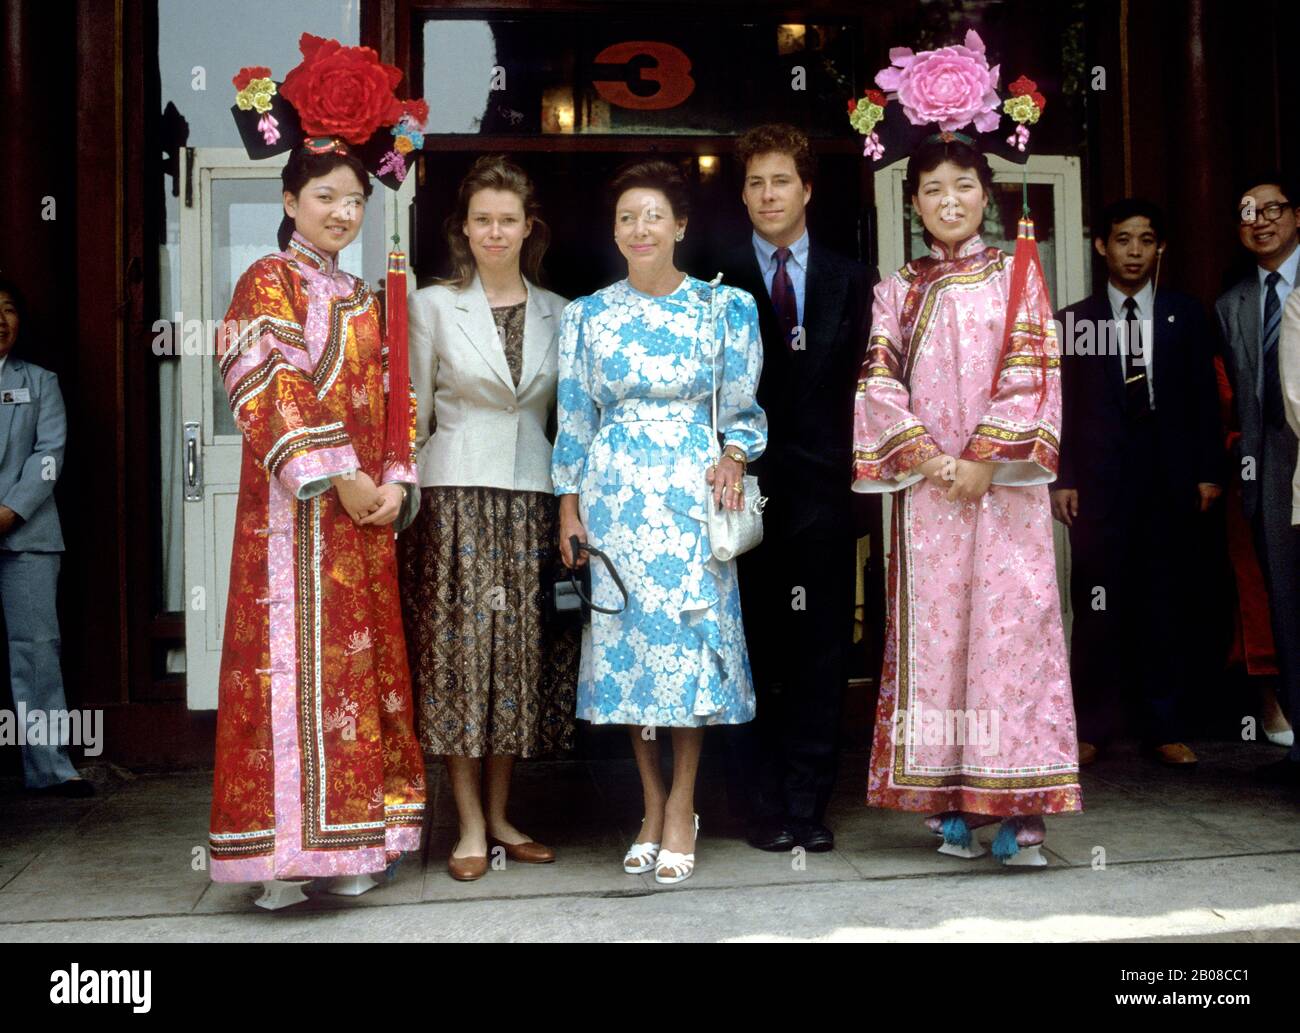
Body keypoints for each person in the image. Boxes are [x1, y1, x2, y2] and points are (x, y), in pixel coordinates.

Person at [209, 41, 428, 907]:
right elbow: (271, 384)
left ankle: (350, 841)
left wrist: (397, 481)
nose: (342, 212)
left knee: (353, 670)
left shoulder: (365, 296)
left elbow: (395, 395)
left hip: (365, 517)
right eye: (325, 197)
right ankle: (286, 853)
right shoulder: (269, 280)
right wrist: (339, 476)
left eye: (354, 199)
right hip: (294, 520)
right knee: (291, 669)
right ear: (290, 199)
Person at [853, 135, 1081, 862]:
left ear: (986, 194)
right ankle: (951, 798)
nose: (948, 201)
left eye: (962, 186)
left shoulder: (1019, 278)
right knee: (941, 643)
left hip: (1004, 492)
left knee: (1010, 637)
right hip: (929, 493)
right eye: (932, 190)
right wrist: (927, 456)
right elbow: (877, 382)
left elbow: (1032, 374)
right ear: (913, 203)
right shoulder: (898, 288)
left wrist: (984, 458)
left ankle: (1021, 807)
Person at [552, 159, 766, 885]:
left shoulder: (722, 307)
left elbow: (742, 410)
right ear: (614, 232)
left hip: (688, 499)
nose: (639, 229)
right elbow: (575, 419)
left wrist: (735, 455)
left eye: (654, 216)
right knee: (629, 658)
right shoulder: (586, 314)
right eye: (626, 218)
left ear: (680, 225)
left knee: (688, 651)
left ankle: (684, 804)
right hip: (613, 502)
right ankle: (648, 802)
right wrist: (568, 506)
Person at [399, 156, 577, 882]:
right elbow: (409, 414)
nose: (494, 232)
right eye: (482, 220)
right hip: (455, 500)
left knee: (516, 662)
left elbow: (573, 418)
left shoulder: (562, 311)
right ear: (463, 229)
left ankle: (502, 814)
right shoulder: (432, 305)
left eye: (508, 219)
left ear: (527, 226)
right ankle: (468, 822)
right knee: (459, 662)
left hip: (532, 497)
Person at [718, 124, 872, 853]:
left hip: (827, 498)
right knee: (752, 651)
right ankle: (761, 803)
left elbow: (873, 391)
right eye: (754, 182)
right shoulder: (712, 278)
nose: (767, 194)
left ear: (807, 188)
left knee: (820, 657)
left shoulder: (853, 278)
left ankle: (810, 801)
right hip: (742, 498)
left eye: (780, 180)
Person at [1052, 200, 1222, 766]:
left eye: (1146, 240)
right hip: (1098, 484)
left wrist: (1207, 472)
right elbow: (1063, 408)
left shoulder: (1187, 315)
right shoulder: (1076, 322)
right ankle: (1092, 728)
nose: (1134, 251)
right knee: (1096, 603)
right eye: (1123, 240)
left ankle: (1164, 727)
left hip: (1168, 479)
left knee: (1163, 601)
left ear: (1160, 248)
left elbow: (1204, 401)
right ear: (1101, 245)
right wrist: (1062, 478)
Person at [1214, 174, 1300, 787]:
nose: (1261, 221)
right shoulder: (1233, 305)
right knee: (1287, 603)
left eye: (1272, 209)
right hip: (1270, 466)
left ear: (1297, 215)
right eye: (1248, 213)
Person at [0, 277, 91, 797]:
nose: (1, 320)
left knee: (36, 650)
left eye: (9, 310)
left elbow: (50, 453)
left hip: (27, 533)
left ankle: (51, 768)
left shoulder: (39, 382)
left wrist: (12, 510)